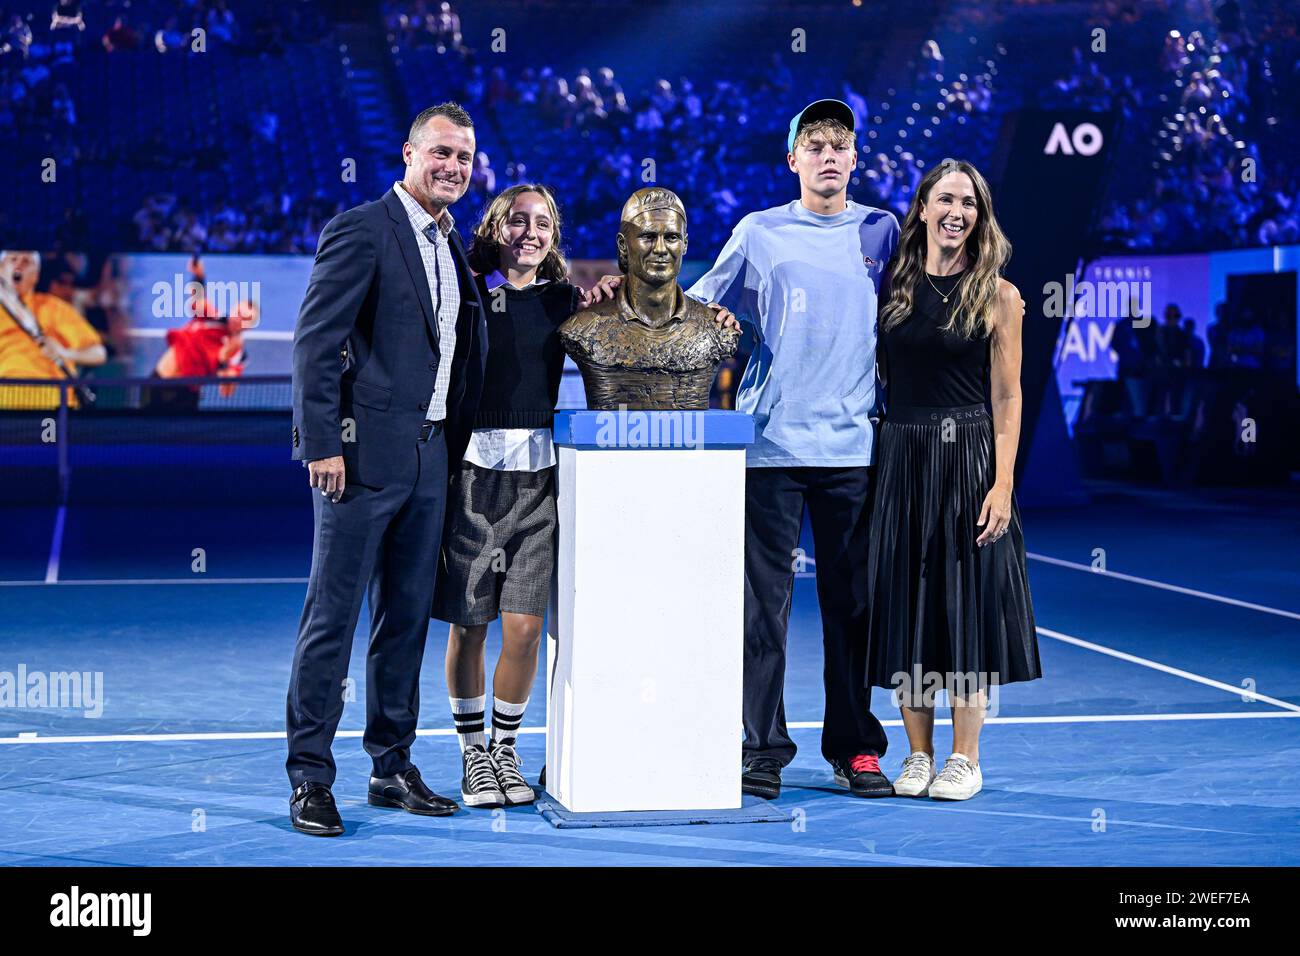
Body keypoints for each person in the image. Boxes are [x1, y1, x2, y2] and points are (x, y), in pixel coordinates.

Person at [685, 99, 901, 799]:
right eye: (815, 144)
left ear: (856, 159)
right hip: (769, 448)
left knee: (853, 608)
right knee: (762, 610)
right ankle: (761, 749)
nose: (829, 155)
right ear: (794, 160)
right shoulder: (759, 233)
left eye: (841, 144)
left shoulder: (882, 231)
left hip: (853, 451)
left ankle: (855, 748)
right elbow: (699, 312)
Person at [285, 102, 487, 837]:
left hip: (430, 457)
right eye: (440, 152)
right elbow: (314, 344)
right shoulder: (363, 229)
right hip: (358, 458)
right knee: (332, 621)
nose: (452, 167)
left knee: (404, 620)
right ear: (408, 153)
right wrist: (322, 445)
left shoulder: (450, 245)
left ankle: (391, 764)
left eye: (463, 157)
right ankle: (310, 775)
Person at [866, 158, 1039, 802]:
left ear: (980, 216)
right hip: (903, 455)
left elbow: (1008, 398)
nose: (957, 212)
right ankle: (918, 754)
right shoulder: (894, 285)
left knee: (964, 606)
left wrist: (1002, 485)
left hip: (968, 456)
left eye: (969, 203)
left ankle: (965, 757)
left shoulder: (999, 295)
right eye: (946, 199)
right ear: (922, 208)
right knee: (910, 606)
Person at [0, 249, 106, 410]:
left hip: (53, 399)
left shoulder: (54, 308)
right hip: (6, 397)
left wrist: (65, 353)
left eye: (27, 261)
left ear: (36, 275)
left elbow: (99, 354)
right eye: (13, 259)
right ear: (1, 269)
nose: (19, 264)